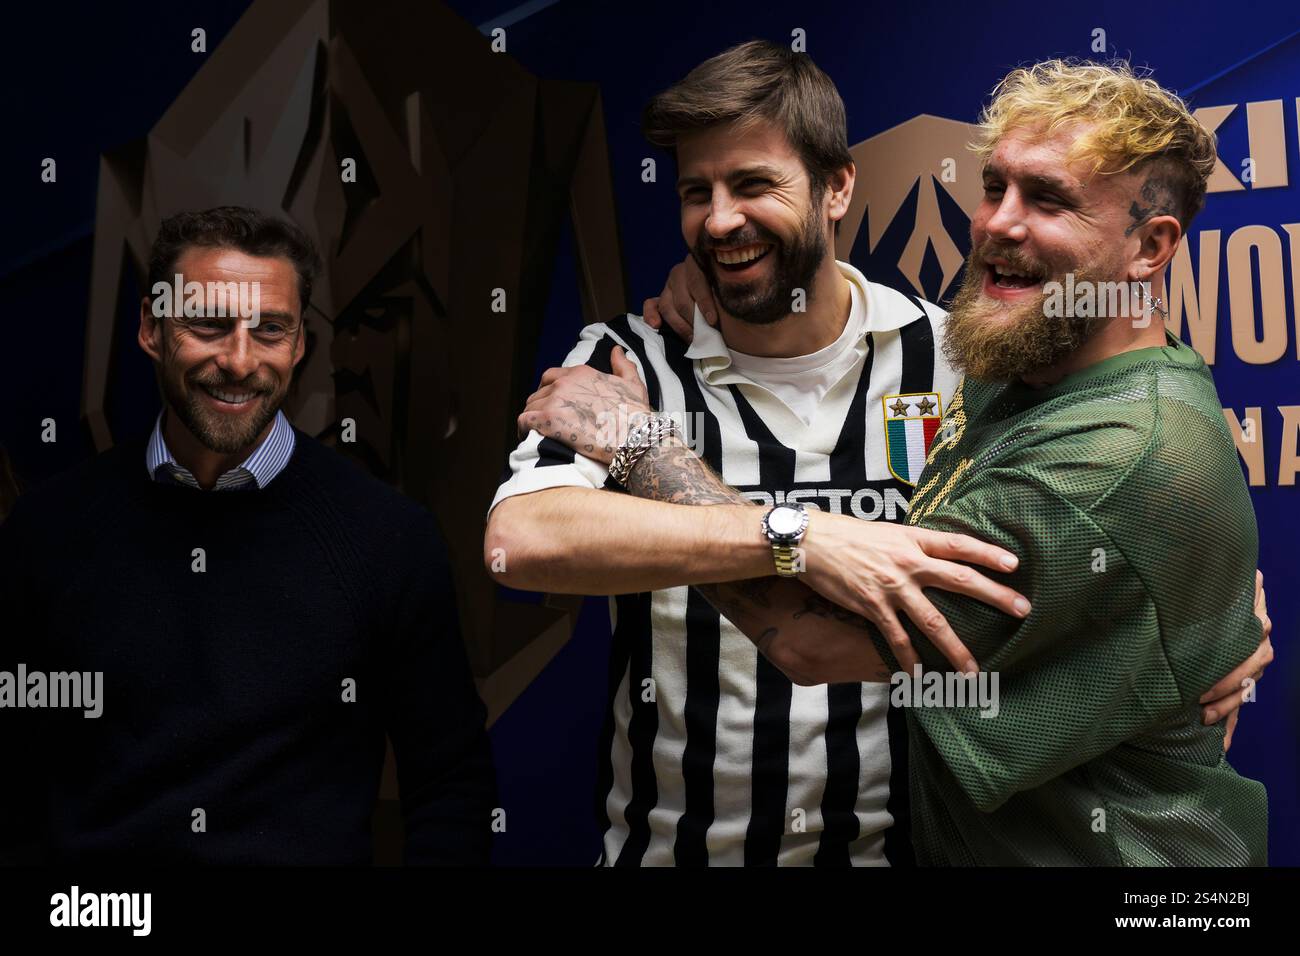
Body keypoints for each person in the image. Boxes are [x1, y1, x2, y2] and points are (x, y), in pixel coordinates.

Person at [513, 56, 1273, 865]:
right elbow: (519, 541)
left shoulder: (953, 353)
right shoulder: (630, 362)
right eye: (698, 193)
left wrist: (1210, 614)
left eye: (754, 186)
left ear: (838, 188)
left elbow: (810, 640)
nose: (997, 224)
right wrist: (1204, 610)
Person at [0, 206, 495, 865]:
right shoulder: (48, 529)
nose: (240, 361)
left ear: (298, 347)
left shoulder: (388, 539)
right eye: (209, 324)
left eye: (269, 330)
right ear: (152, 327)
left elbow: (451, 784)